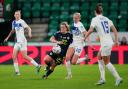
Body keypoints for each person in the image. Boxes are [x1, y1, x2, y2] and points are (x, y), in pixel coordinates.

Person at [85, 3, 122, 86]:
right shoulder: (107, 19)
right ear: (102, 11)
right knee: (99, 57)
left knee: (107, 62)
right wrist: (116, 41)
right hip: (108, 42)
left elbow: (91, 30)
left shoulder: (95, 19)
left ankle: (118, 78)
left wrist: (85, 37)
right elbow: (115, 31)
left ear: (95, 11)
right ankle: (102, 79)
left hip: (105, 44)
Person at [4, 10, 41, 75]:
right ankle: (17, 72)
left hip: (23, 41)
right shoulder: (14, 22)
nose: (17, 15)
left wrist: (29, 33)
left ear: (20, 15)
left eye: (18, 14)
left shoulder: (22, 22)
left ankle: (37, 65)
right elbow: (12, 31)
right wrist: (7, 37)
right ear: (14, 15)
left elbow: (29, 28)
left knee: (25, 56)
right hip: (18, 42)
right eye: (16, 14)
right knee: (14, 56)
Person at [65, 13, 90, 79]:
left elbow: (86, 33)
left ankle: (85, 58)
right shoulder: (73, 24)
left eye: (76, 18)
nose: (75, 19)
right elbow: (73, 34)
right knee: (67, 57)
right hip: (73, 43)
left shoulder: (80, 25)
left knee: (73, 62)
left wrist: (88, 41)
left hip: (79, 44)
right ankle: (69, 75)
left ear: (79, 18)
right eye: (74, 18)